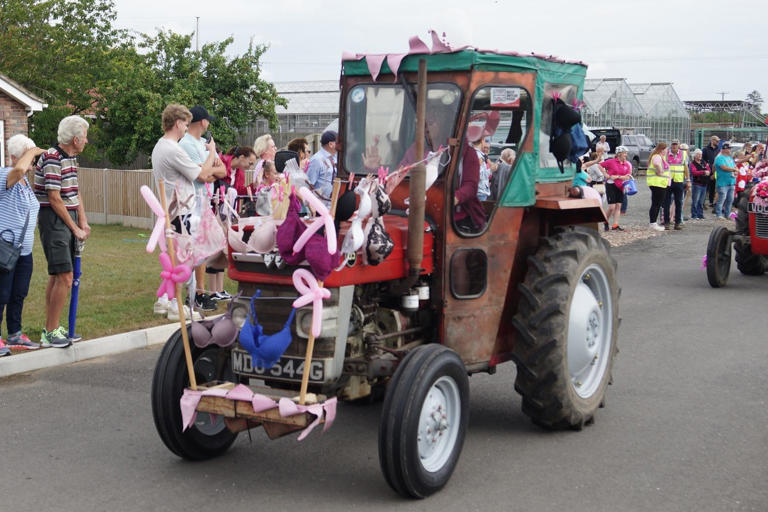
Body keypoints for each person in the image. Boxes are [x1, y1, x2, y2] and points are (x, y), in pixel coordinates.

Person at [150, 104, 218, 319]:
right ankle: (176, 306)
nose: (186, 128)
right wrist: (212, 153)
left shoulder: (161, 146)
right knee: (184, 259)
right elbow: (201, 174)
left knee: (175, 257)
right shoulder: (173, 149)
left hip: (173, 209)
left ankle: (166, 301)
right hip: (181, 210)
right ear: (178, 123)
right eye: (185, 124)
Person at [33, 115, 91, 348]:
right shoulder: (52, 158)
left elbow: (74, 194)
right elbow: (55, 198)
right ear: (76, 138)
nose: (87, 141)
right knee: (65, 277)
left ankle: (52, 326)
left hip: (68, 217)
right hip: (53, 220)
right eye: (85, 136)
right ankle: (49, 332)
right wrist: (74, 227)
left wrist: (83, 221)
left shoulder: (70, 159)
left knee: (58, 275)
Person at [177, 105, 227, 311]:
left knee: (206, 247)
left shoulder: (203, 144)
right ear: (202, 121)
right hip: (191, 201)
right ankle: (194, 294)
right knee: (194, 249)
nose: (209, 123)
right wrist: (211, 163)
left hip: (203, 201)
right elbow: (202, 175)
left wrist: (211, 168)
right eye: (207, 120)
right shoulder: (187, 144)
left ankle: (199, 292)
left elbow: (222, 171)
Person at [0, 135, 46, 353]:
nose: (32, 163)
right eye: (28, 158)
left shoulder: (25, 181)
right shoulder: (5, 175)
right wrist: (33, 150)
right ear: (14, 157)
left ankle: (14, 334)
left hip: (24, 251)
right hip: (5, 249)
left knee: (18, 293)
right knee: (1, 294)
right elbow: (18, 170)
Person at [454, 139, 486, 233]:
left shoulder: (468, 153)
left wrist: (455, 197)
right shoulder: (419, 149)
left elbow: (471, 186)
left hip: (459, 217)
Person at [599, 145, 632, 231]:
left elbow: (628, 176)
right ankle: (605, 221)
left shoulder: (627, 164)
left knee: (618, 206)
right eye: (625, 153)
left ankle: (615, 225)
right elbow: (600, 165)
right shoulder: (611, 161)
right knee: (611, 207)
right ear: (619, 154)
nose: (626, 155)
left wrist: (617, 177)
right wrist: (605, 174)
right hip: (611, 185)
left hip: (621, 186)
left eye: (626, 153)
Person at [306, 130, 338, 207]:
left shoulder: (335, 158)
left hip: (333, 204)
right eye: (338, 142)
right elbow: (309, 184)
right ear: (331, 144)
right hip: (320, 206)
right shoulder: (316, 160)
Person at [662, 139, 688, 230]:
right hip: (668, 181)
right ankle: (666, 222)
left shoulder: (683, 154)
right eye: (673, 144)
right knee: (666, 203)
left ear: (678, 145)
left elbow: (686, 168)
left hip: (679, 181)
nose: (674, 146)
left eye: (676, 145)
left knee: (678, 203)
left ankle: (677, 223)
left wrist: (688, 180)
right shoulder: (665, 154)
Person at [646, 142, 670, 231]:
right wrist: (660, 171)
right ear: (662, 149)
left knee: (656, 203)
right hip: (657, 183)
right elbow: (656, 164)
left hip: (660, 183)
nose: (667, 151)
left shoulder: (660, 157)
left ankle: (653, 222)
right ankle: (653, 223)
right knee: (656, 204)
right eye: (666, 149)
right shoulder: (657, 156)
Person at [713, 143, 738, 220]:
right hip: (722, 182)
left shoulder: (730, 158)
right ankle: (719, 215)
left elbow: (734, 166)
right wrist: (734, 169)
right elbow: (723, 167)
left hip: (731, 181)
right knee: (722, 199)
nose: (730, 150)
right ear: (724, 149)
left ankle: (727, 215)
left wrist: (735, 171)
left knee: (730, 199)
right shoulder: (719, 158)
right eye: (729, 148)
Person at [689, 148, 711, 220]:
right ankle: (694, 215)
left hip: (704, 184)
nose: (700, 156)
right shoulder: (692, 164)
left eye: (701, 154)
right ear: (695, 156)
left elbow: (708, 169)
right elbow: (694, 172)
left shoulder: (703, 162)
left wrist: (707, 172)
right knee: (695, 200)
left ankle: (700, 214)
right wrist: (703, 172)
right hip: (697, 184)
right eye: (698, 154)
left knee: (701, 201)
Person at [702, 135, 720, 209]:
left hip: (715, 170)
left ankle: (711, 202)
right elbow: (702, 160)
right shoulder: (705, 149)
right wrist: (707, 166)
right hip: (707, 170)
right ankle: (702, 202)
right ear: (712, 141)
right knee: (706, 187)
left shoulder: (718, 150)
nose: (718, 142)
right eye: (717, 141)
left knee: (713, 187)